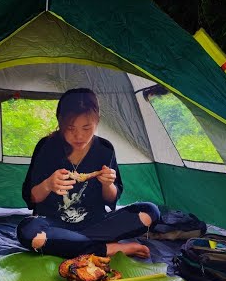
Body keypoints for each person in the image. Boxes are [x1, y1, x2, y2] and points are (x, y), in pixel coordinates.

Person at [16, 88, 161, 260]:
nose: (79, 136)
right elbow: (31, 197)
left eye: (86, 128)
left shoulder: (105, 149)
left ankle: (71, 244)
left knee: (150, 212)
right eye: (71, 128)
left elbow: (111, 199)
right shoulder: (47, 147)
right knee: (29, 232)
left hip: (95, 225)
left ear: (97, 121)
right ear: (60, 122)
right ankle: (107, 249)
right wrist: (48, 185)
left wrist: (108, 184)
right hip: (54, 225)